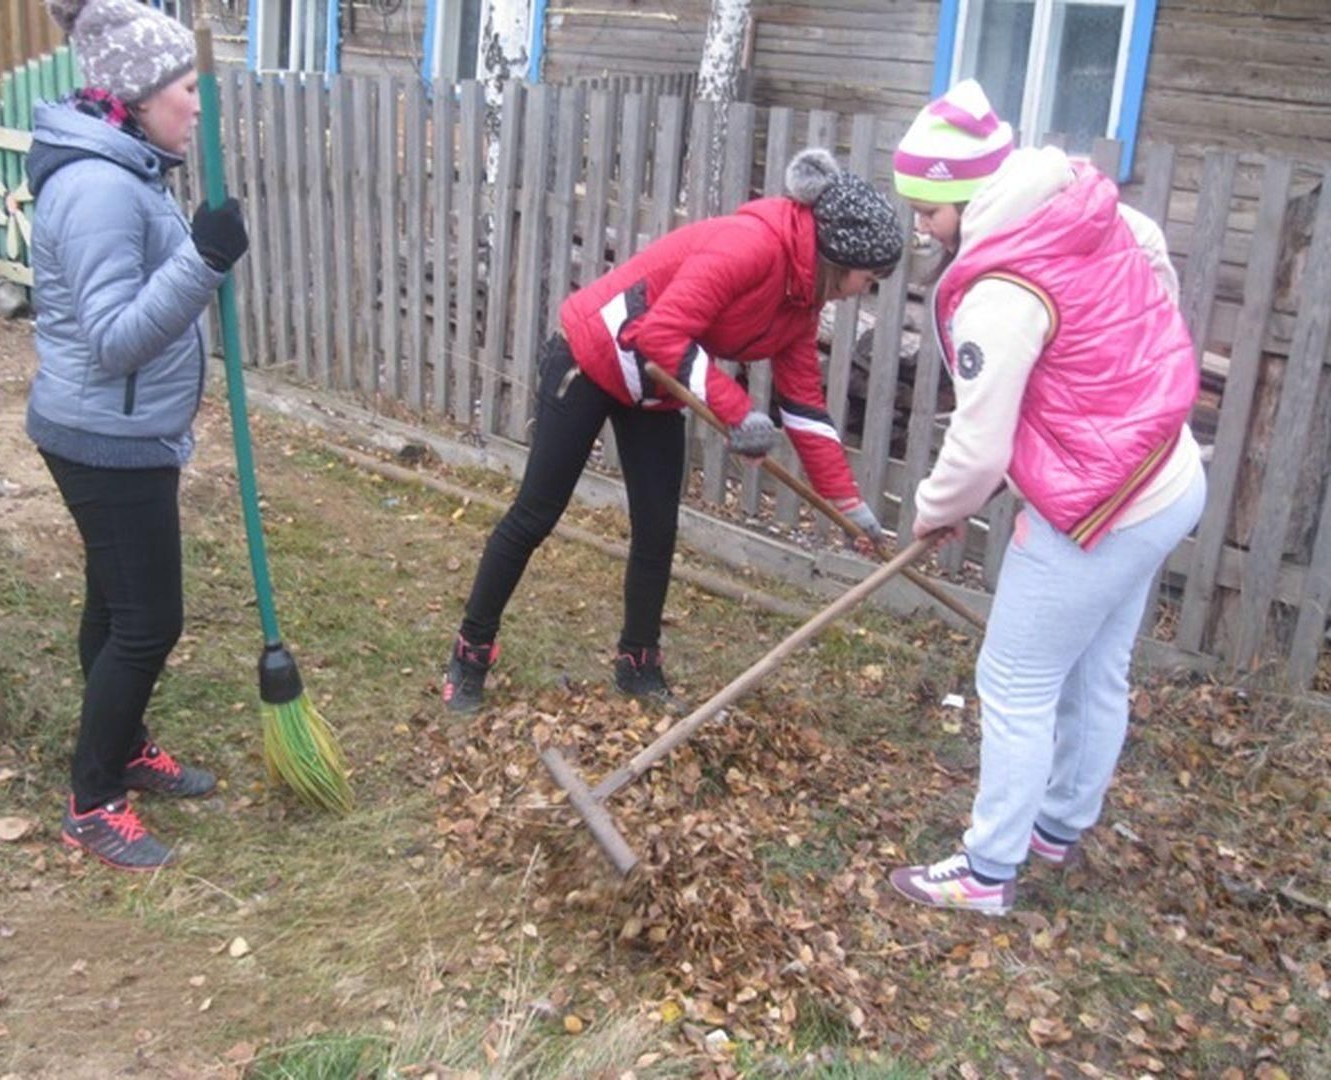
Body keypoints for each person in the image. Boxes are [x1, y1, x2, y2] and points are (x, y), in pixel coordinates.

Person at [885, 81, 1206, 914]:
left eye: (928, 206)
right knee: (1099, 669)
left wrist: (935, 509)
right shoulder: (1091, 212)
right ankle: (1058, 827)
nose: (920, 223)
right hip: (1169, 475)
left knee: (1015, 682)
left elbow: (980, 444)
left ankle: (988, 871)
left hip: (1100, 507)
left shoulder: (1000, 290)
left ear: (967, 192)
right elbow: (1159, 276)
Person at [442, 149, 904, 713]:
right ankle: (471, 650)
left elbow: (804, 403)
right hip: (594, 359)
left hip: (656, 385)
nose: (865, 289)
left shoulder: (800, 302)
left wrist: (846, 503)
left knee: (657, 529)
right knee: (536, 514)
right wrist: (737, 413)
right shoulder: (751, 245)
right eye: (870, 277)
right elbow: (660, 331)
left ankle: (638, 664)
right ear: (842, 253)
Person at [28, 0, 248, 870]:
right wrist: (205, 261)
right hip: (102, 438)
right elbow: (115, 334)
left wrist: (196, 256)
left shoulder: (128, 169)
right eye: (186, 89)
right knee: (150, 622)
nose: (197, 105)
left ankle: (120, 745)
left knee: (114, 607)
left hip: (114, 429)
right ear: (138, 95)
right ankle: (92, 800)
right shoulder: (97, 189)